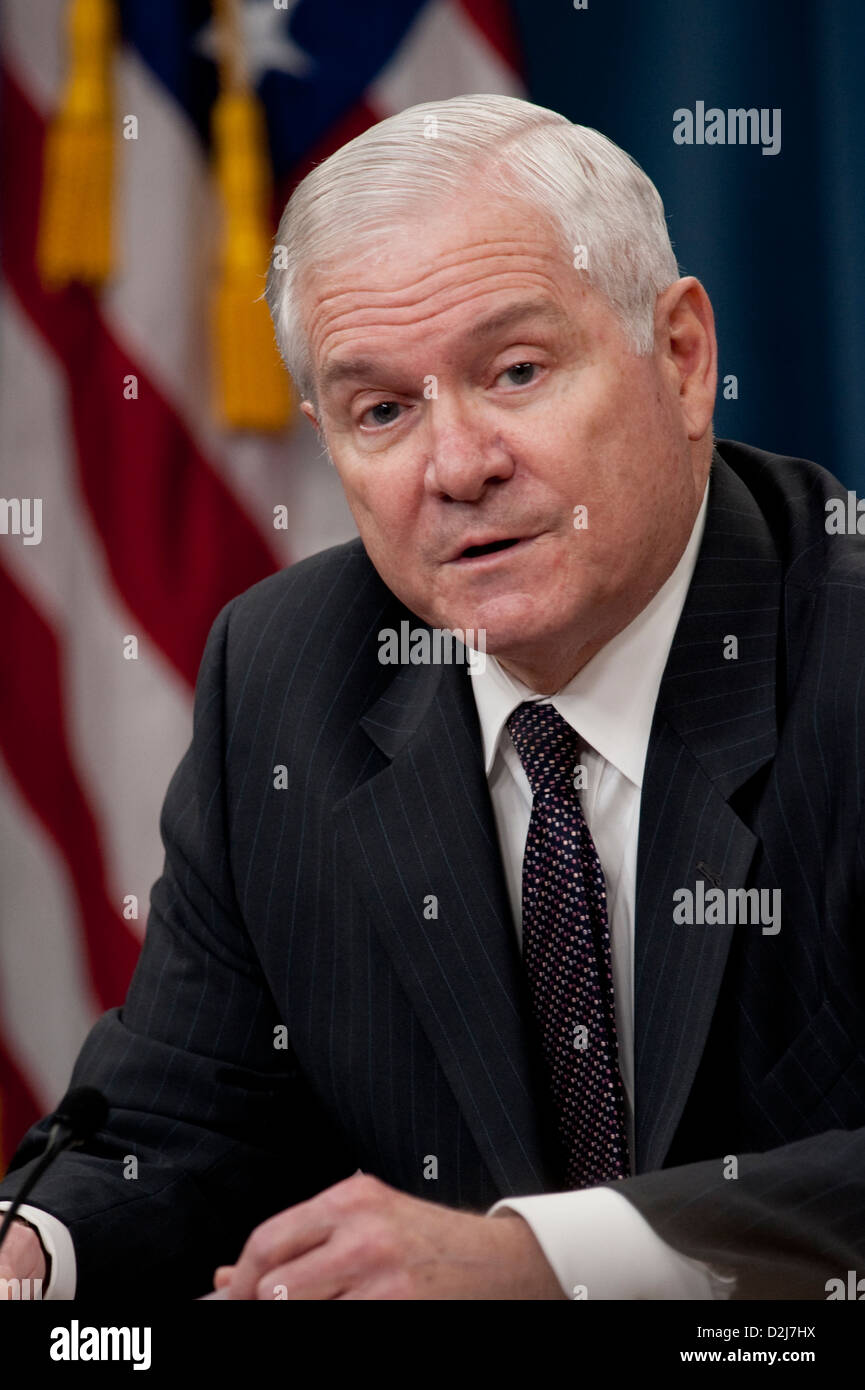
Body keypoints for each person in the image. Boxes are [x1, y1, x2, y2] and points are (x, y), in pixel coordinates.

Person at [2, 92, 864, 1302]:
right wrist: (39, 1250)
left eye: (515, 370)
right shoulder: (288, 675)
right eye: (383, 412)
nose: (456, 467)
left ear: (679, 359)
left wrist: (544, 1263)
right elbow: (175, 1118)